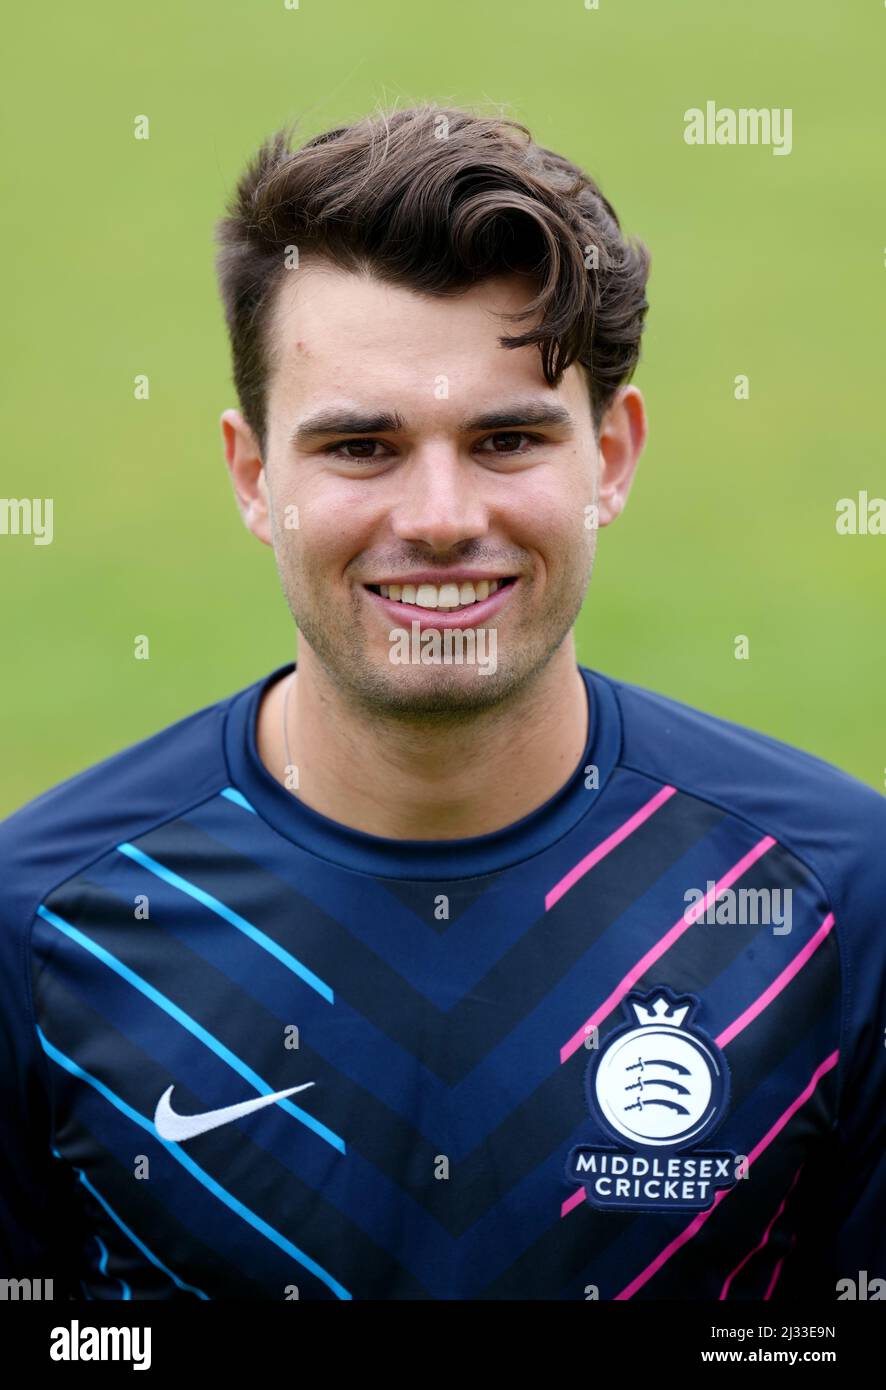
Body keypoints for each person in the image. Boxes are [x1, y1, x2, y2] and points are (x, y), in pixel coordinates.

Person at [1, 105, 883, 1302]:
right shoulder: (43, 926)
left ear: (611, 459)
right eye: (361, 447)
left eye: (506, 437)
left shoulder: (837, 901)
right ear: (256, 477)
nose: (437, 517)